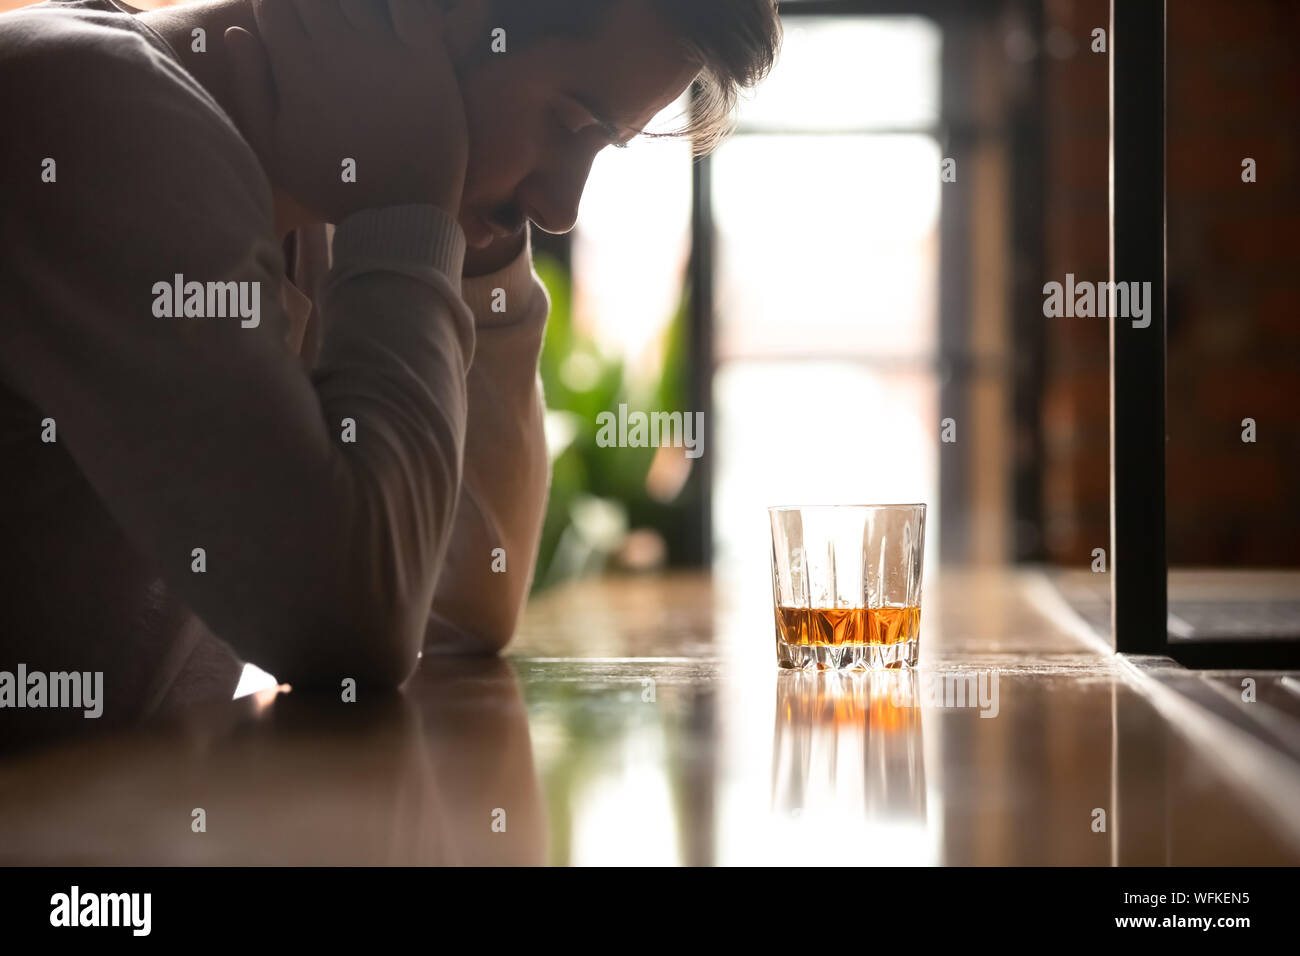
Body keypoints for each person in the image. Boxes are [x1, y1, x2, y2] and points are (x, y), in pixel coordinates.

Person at [0, 0, 780, 739]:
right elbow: (351, 633)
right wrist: (411, 212)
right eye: (569, 123)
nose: (561, 208)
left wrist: (472, 246)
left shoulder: (320, 210)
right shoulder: (94, 112)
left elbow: (460, 608)